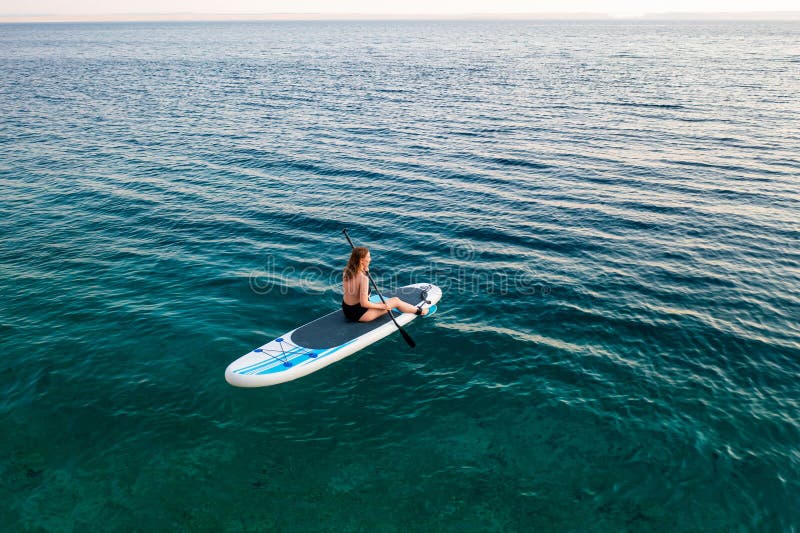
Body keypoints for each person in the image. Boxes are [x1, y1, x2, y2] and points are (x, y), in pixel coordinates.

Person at [342, 246, 428, 322]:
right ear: (361, 260)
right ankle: (420, 312)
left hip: (346, 310)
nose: (370, 259)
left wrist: (364, 269)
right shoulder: (363, 278)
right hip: (359, 314)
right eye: (368, 257)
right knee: (396, 301)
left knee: (388, 301)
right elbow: (364, 303)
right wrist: (382, 307)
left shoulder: (347, 271)